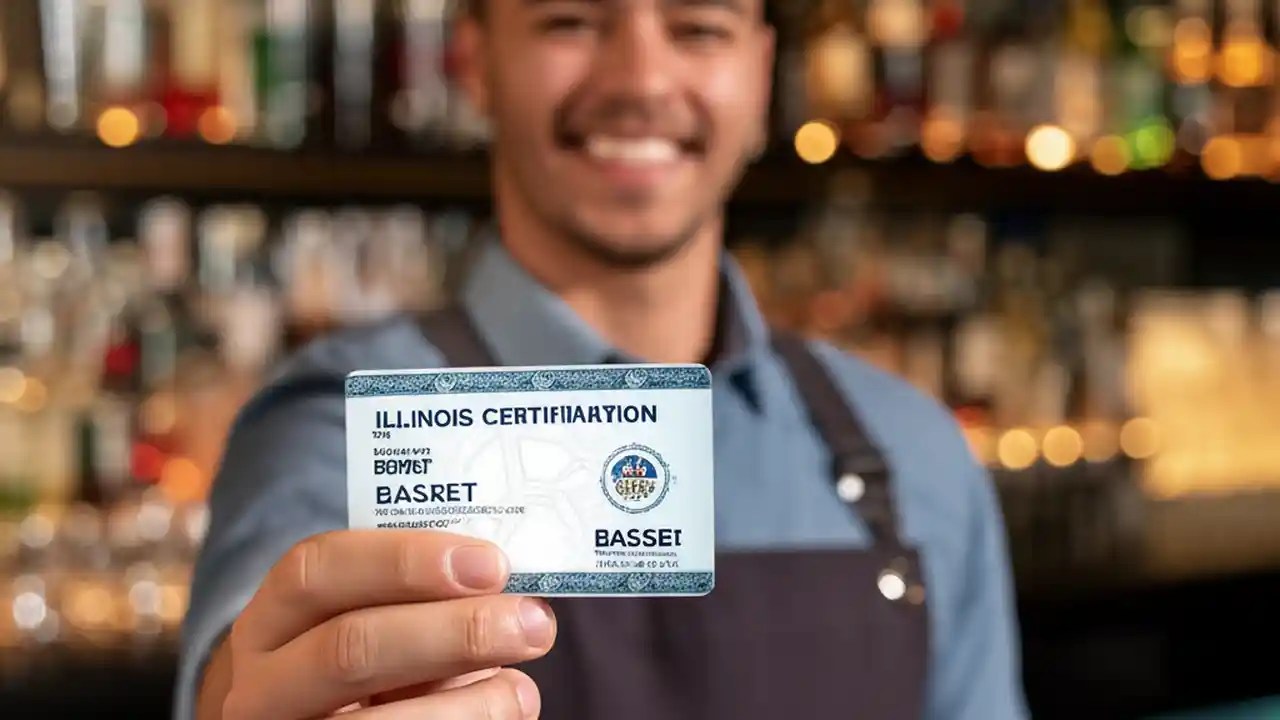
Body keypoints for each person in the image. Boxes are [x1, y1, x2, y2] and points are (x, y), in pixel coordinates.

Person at [178, 0, 1028, 718]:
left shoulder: (913, 449)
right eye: (572, 20)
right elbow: (240, 672)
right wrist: (260, 692)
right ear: (473, 61)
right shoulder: (333, 426)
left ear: (762, 72)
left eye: (698, 27)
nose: (641, 83)